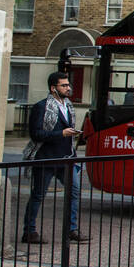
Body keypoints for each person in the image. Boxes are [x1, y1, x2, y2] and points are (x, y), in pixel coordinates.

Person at [21, 71, 90, 243]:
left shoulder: (69, 106)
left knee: (74, 192)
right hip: (46, 159)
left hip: (66, 158)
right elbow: (36, 134)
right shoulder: (41, 107)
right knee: (38, 195)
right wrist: (61, 133)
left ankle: (71, 230)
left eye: (68, 84)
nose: (69, 88)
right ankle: (29, 232)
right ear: (53, 88)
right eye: (64, 85)